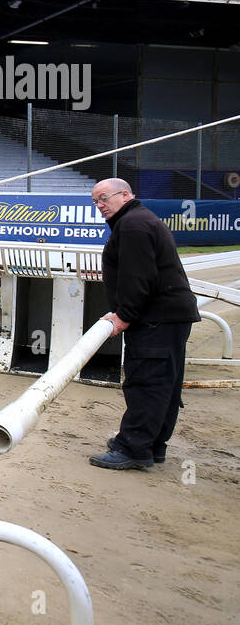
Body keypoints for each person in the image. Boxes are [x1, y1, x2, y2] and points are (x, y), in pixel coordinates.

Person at [88, 178, 201, 471]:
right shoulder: (138, 220)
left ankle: (134, 448)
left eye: (104, 198)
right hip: (166, 317)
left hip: (156, 319)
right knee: (164, 383)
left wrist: (124, 315)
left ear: (125, 194)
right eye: (95, 201)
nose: (100, 206)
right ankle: (152, 445)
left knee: (147, 383)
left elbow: (138, 277)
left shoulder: (133, 225)